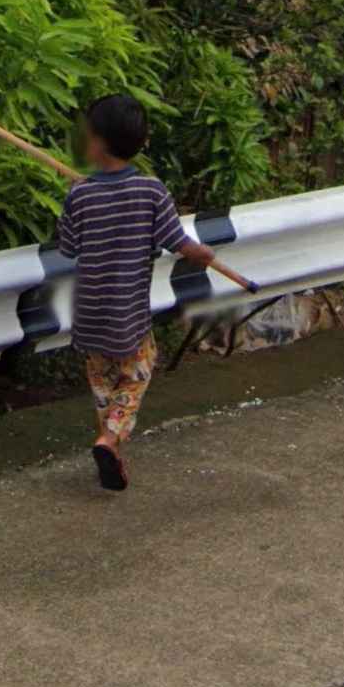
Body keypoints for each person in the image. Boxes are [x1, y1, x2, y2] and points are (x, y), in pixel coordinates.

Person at [52, 95, 254, 491]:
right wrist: (202, 254)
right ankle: (109, 439)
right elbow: (177, 242)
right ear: (140, 143)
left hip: (90, 314)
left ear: (96, 142)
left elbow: (68, 248)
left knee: (104, 384)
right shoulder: (151, 191)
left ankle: (110, 447)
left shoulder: (81, 194)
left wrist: (74, 199)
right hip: (128, 314)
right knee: (138, 372)